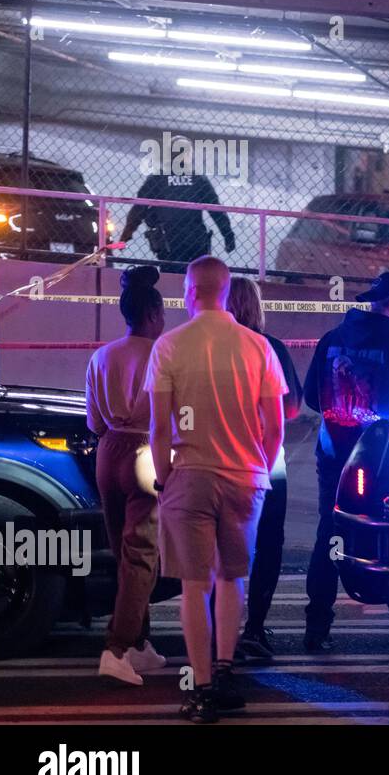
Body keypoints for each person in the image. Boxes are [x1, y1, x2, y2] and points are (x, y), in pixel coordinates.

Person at [145, 256, 286, 723]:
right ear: (226, 292)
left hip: (190, 474)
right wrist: (258, 467)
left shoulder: (169, 346)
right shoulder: (257, 347)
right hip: (245, 477)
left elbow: (159, 427)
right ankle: (226, 672)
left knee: (193, 584)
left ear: (189, 291)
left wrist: (164, 478)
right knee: (232, 577)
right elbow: (275, 426)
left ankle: (202, 688)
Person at [302, 271, 389, 652]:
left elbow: (311, 397)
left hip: (332, 453)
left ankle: (317, 626)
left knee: (330, 531)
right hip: (378, 458)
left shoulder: (332, 339)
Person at [86, 266, 168, 686]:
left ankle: (139, 644)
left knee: (124, 552)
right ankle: (116, 648)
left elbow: (94, 422)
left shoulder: (102, 355)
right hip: (145, 452)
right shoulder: (162, 354)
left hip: (108, 450)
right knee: (141, 555)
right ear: (153, 313)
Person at [226, 278, 302, 665]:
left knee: (224, 549)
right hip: (268, 464)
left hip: (222, 462)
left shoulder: (211, 348)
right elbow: (291, 408)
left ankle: (218, 636)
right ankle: (255, 627)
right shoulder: (270, 348)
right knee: (268, 544)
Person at [121, 169, 236, 273]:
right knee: (197, 275)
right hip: (195, 238)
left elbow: (139, 208)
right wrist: (228, 235)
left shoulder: (158, 177)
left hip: (169, 239)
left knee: (171, 277)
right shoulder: (197, 178)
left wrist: (126, 234)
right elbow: (215, 209)